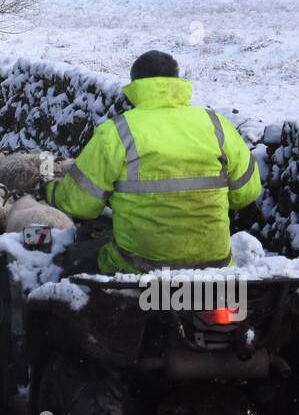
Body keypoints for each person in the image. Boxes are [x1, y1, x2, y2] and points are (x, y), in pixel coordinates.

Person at [45, 50, 261, 274]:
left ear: (135, 85)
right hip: (214, 267)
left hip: (137, 266)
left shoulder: (117, 132)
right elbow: (247, 193)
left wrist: (50, 190)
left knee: (69, 267)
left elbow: (81, 204)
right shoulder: (216, 125)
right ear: (177, 81)